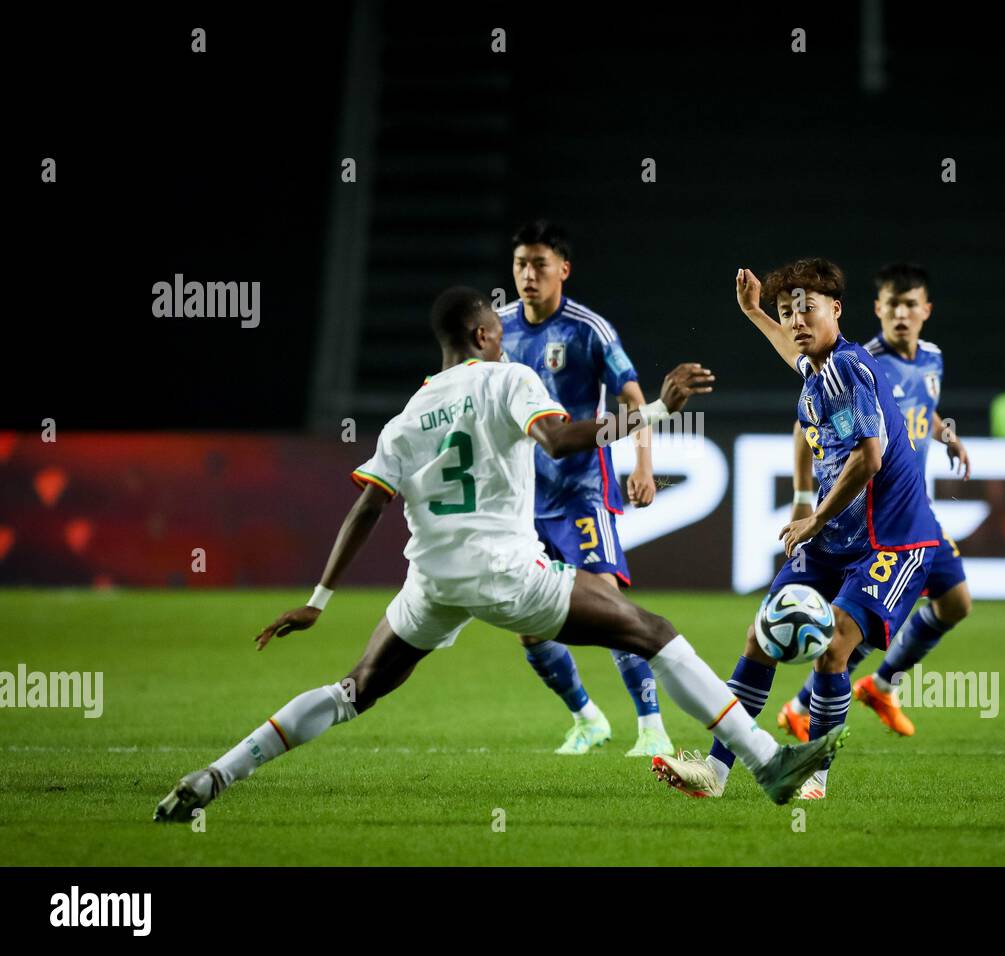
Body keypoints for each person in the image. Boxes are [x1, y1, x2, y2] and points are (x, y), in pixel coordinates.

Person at [154, 286, 845, 821]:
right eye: (498, 324)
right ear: (488, 334)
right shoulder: (508, 378)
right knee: (654, 634)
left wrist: (317, 600)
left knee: (352, 690)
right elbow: (562, 441)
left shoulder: (406, 416)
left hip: (431, 583)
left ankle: (214, 774)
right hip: (509, 573)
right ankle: (768, 763)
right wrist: (658, 409)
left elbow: (368, 505)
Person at [651, 260, 934, 801]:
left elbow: (870, 459)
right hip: (833, 541)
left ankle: (816, 777)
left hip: (889, 541)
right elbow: (791, 350)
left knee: (833, 649)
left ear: (836, 310)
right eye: (788, 312)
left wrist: (814, 517)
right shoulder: (815, 367)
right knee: (761, 637)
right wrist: (755, 312)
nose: (797, 321)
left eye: (807, 308)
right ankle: (715, 772)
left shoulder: (849, 369)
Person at [777, 263, 973, 752]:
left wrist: (946, 433)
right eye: (892, 305)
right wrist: (805, 500)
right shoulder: (862, 360)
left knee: (955, 603)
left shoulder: (933, 359)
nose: (901, 314)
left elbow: (920, 412)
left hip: (911, 508)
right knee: (854, 621)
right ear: (877, 309)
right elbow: (807, 428)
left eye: (911, 305)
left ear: (926, 311)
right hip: (876, 519)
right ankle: (811, 707)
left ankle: (879, 686)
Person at [497, 220, 669, 757]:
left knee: (608, 607)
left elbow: (634, 396)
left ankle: (651, 729)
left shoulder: (587, 329)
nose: (529, 275)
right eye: (522, 264)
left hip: (581, 492)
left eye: (540, 265)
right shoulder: (497, 330)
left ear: (563, 271)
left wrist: (643, 464)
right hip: (522, 497)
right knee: (527, 623)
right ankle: (587, 718)